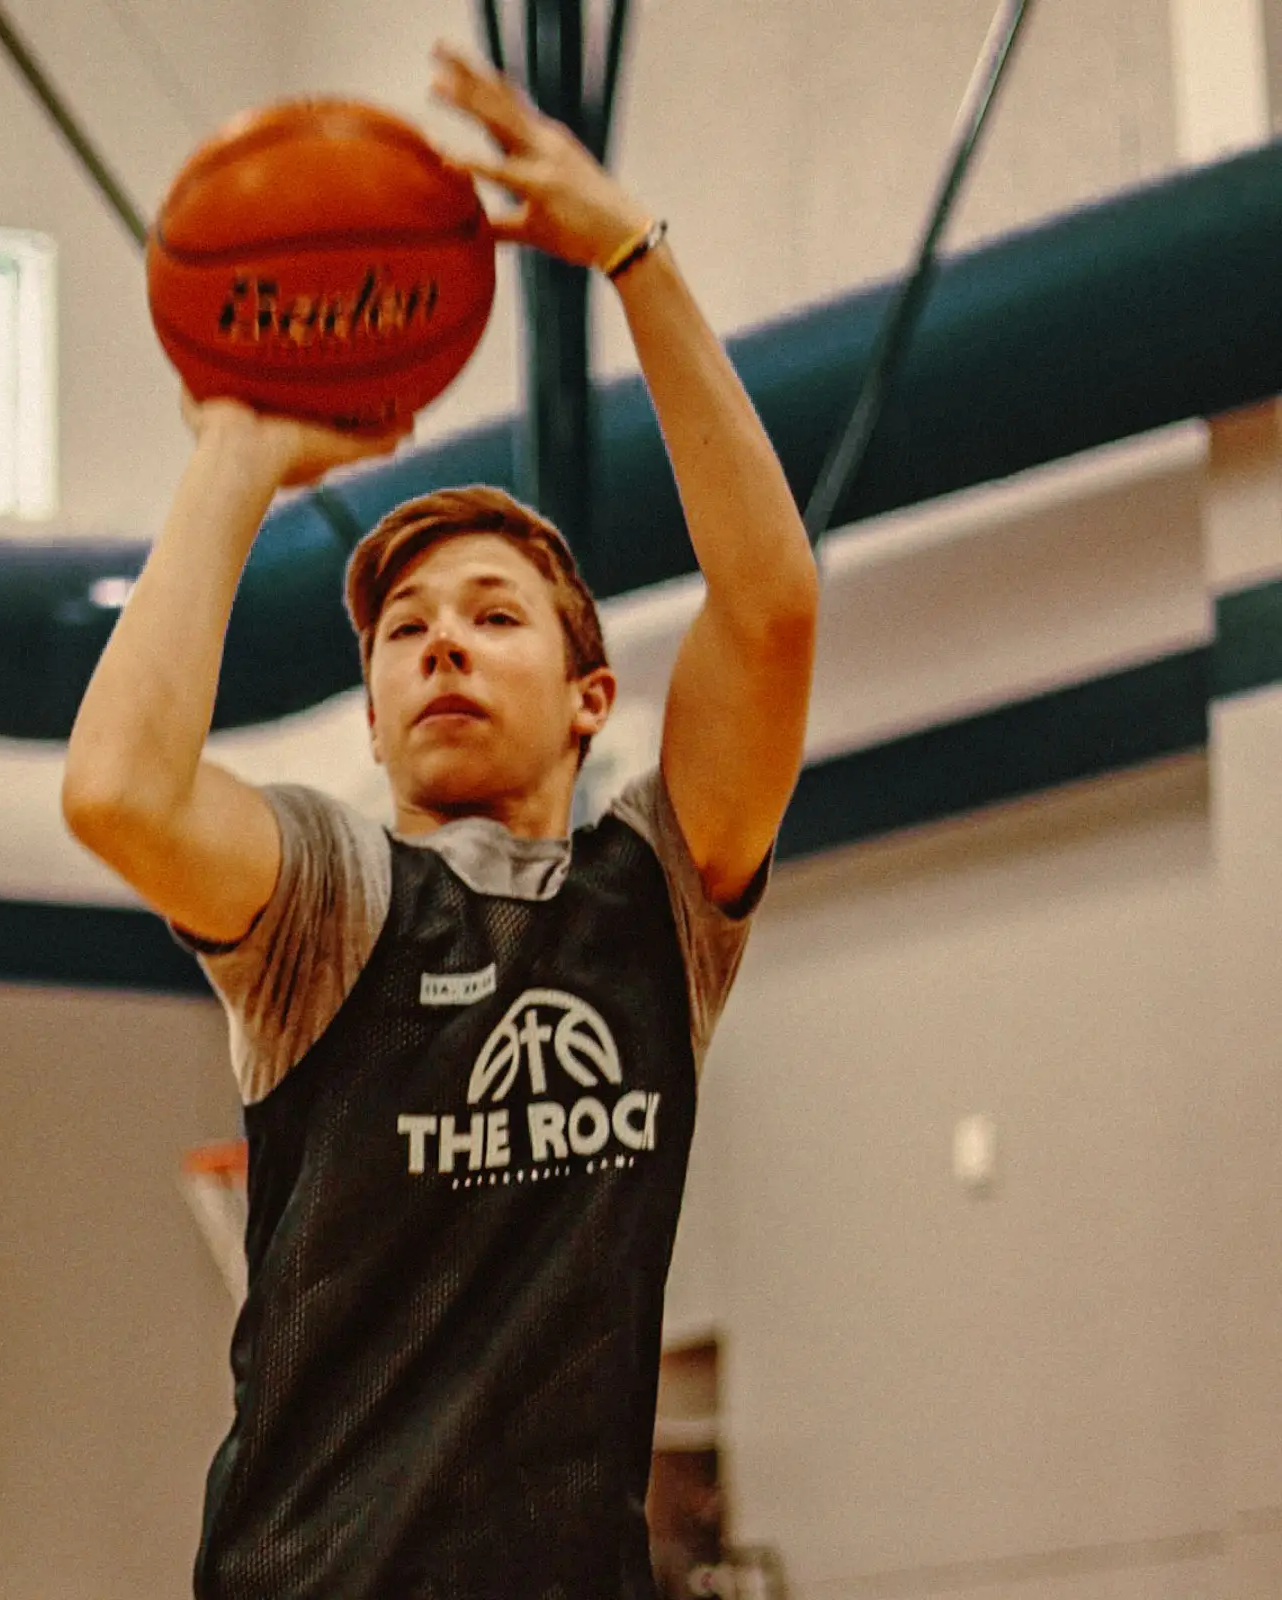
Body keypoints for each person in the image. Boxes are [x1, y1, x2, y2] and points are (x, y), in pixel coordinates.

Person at [60, 42, 820, 1600]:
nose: (444, 642)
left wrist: (634, 257)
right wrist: (236, 448)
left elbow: (772, 607)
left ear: (595, 696)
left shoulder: (655, 904)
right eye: (405, 629)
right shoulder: (334, 901)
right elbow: (119, 791)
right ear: (376, 710)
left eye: (493, 614)